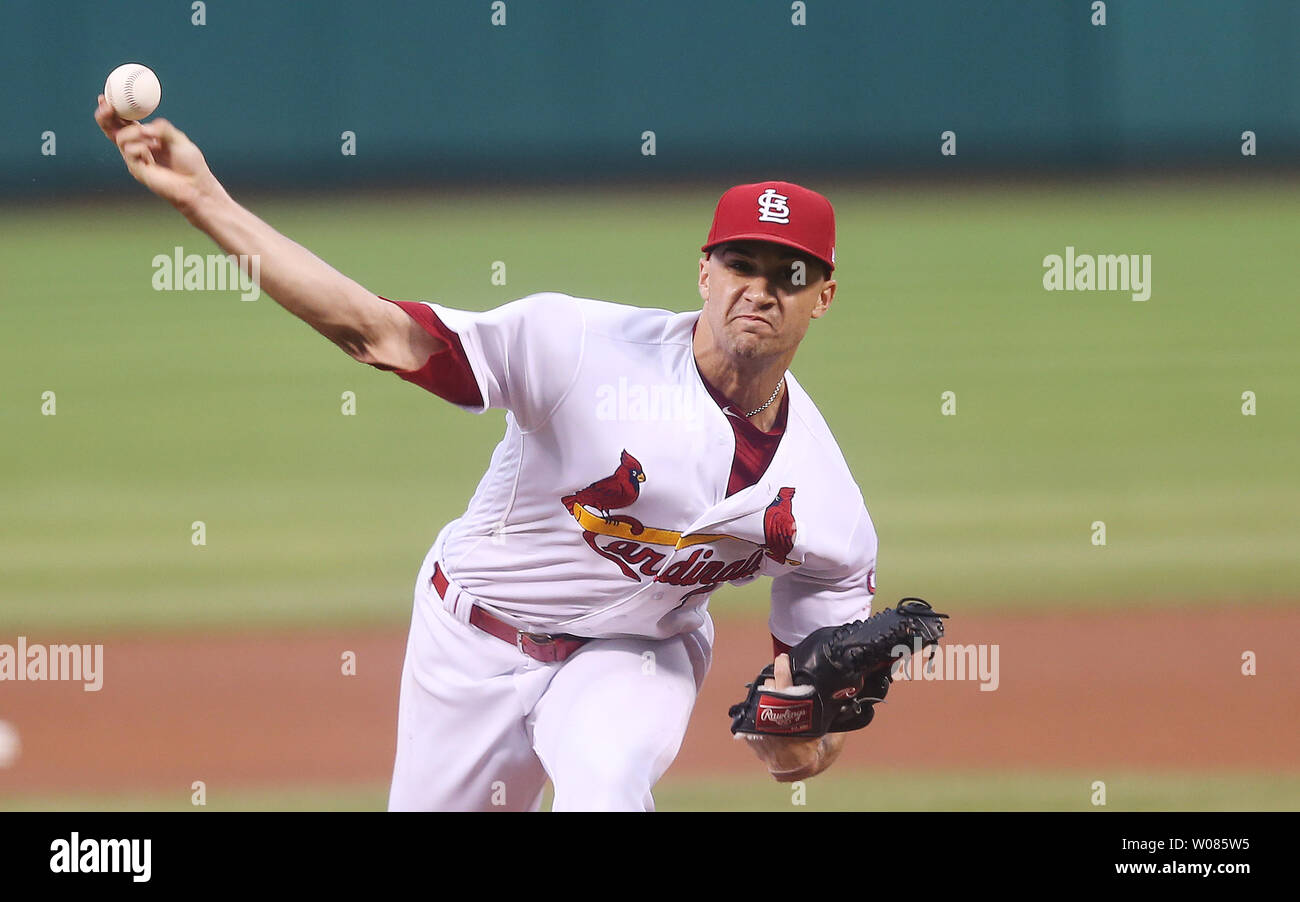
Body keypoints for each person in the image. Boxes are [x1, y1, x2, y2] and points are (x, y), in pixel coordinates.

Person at [95, 98, 879, 811]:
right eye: (743, 264)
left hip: (634, 658)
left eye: (792, 274)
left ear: (825, 295)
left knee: (606, 791)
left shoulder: (831, 513)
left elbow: (810, 741)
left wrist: (795, 744)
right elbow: (374, 332)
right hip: (469, 638)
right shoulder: (575, 346)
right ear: (705, 270)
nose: (761, 290)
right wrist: (206, 201)